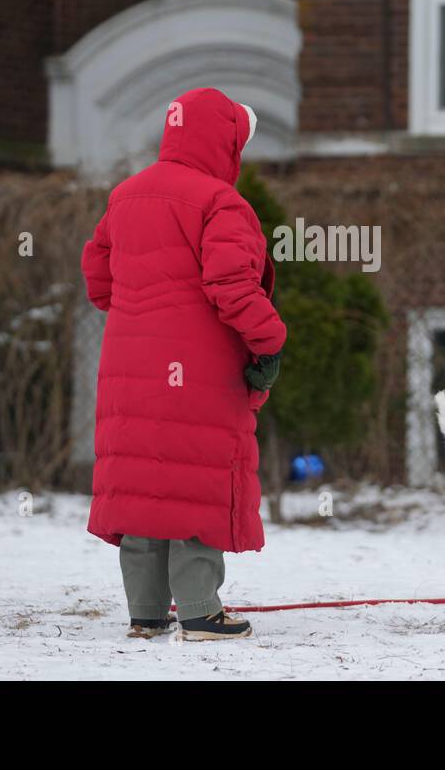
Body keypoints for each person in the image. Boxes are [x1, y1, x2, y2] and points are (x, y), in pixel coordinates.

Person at [80, 87, 286, 641]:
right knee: (196, 483)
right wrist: (270, 341)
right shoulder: (221, 202)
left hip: (131, 370)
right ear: (224, 144)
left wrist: (146, 313)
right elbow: (231, 286)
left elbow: (99, 281)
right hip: (198, 372)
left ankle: (145, 615)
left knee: (145, 487)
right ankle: (199, 612)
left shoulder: (125, 196)